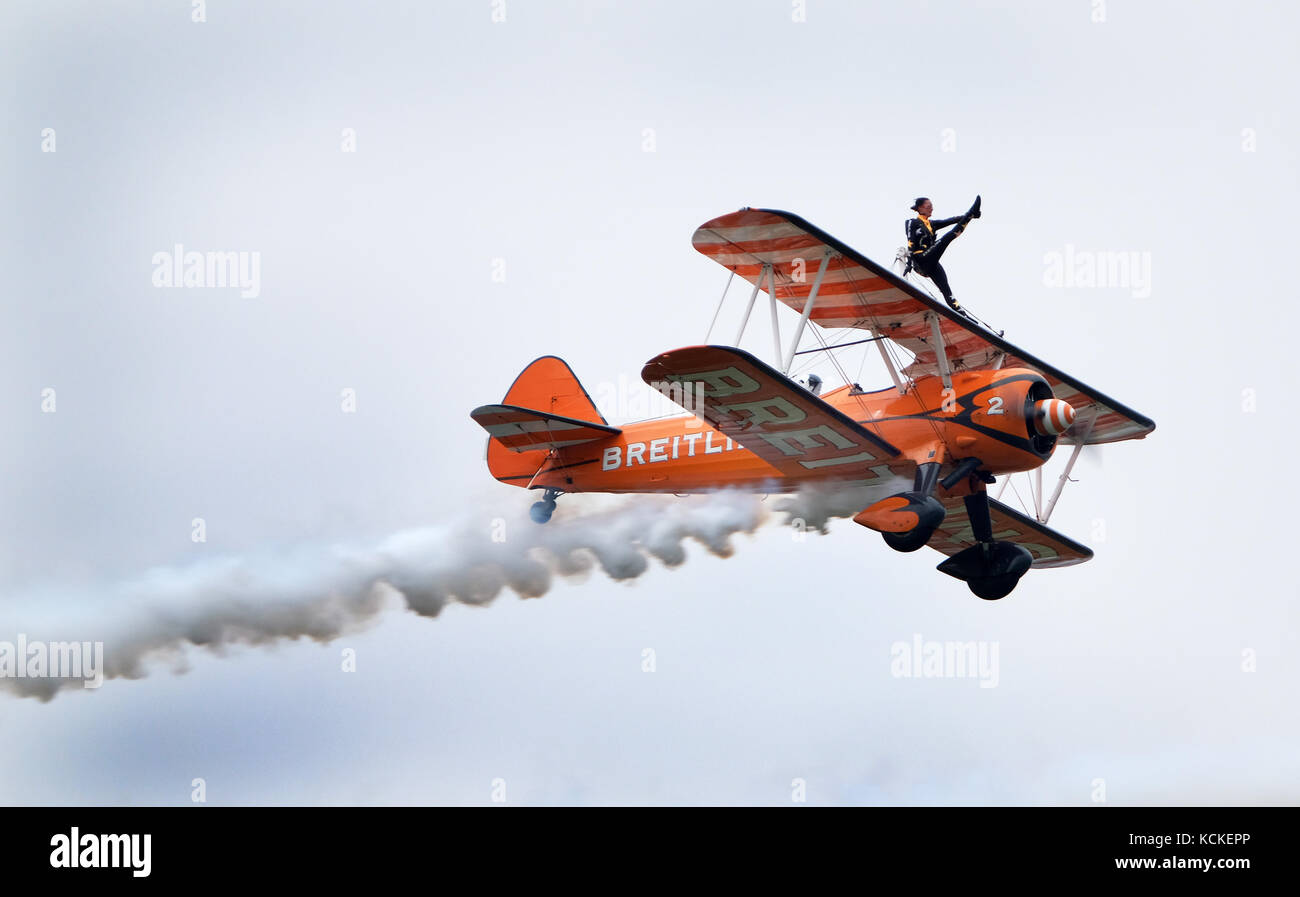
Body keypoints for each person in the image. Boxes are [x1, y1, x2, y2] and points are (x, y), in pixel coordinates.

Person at [905, 195, 981, 315]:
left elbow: (951, 220)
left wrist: (970, 217)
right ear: (920, 208)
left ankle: (962, 314)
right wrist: (909, 262)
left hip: (931, 262)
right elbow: (910, 241)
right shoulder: (912, 222)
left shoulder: (931, 224)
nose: (931, 209)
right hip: (921, 260)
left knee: (946, 290)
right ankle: (970, 213)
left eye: (932, 206)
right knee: (947, 238)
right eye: (928, 206)